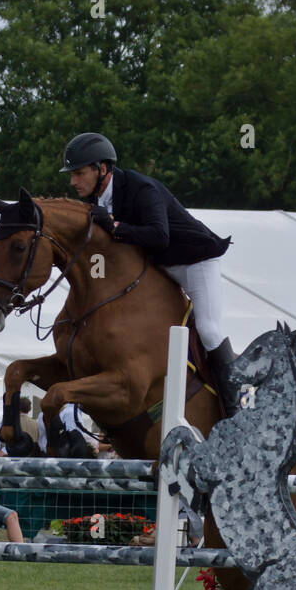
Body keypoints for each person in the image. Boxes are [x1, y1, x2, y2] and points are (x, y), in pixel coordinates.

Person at [59, 132, 237, 411]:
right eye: (72, 174)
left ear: (102, 169)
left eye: (79, 173)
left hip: (195, 262)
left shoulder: (142, 189)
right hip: (159, 268)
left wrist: (114, 227)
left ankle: (236, 405)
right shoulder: (96, 202)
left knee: (209, 329)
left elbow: (159, 236)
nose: (73, 181)